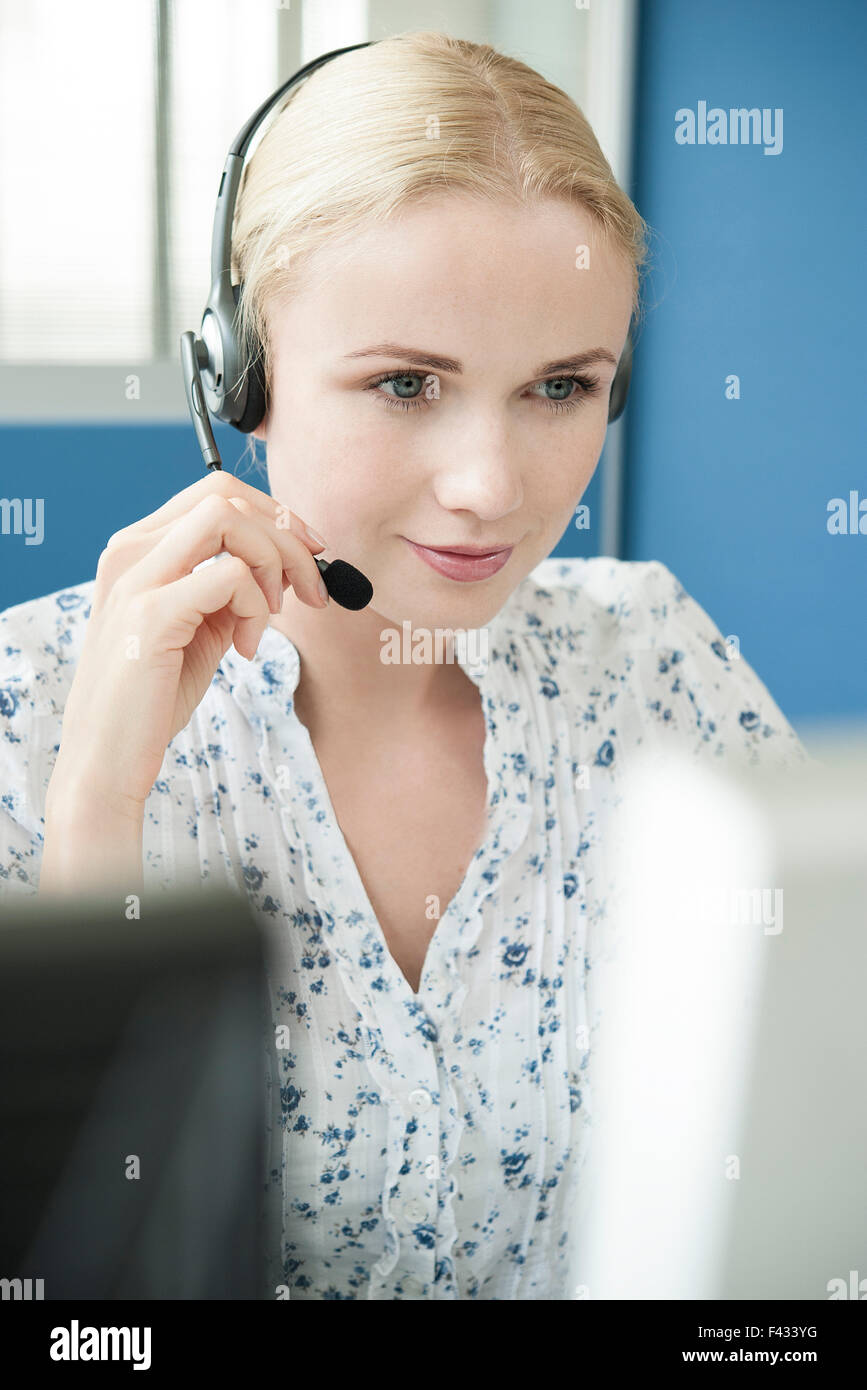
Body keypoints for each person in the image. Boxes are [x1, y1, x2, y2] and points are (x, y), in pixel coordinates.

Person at [0, 31, 808, 1299]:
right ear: (241, 372)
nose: (490, 486)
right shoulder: (31, 705)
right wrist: (99, 806)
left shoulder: (658, 659)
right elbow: (54, 1284)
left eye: (558, 387)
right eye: (406, 382)